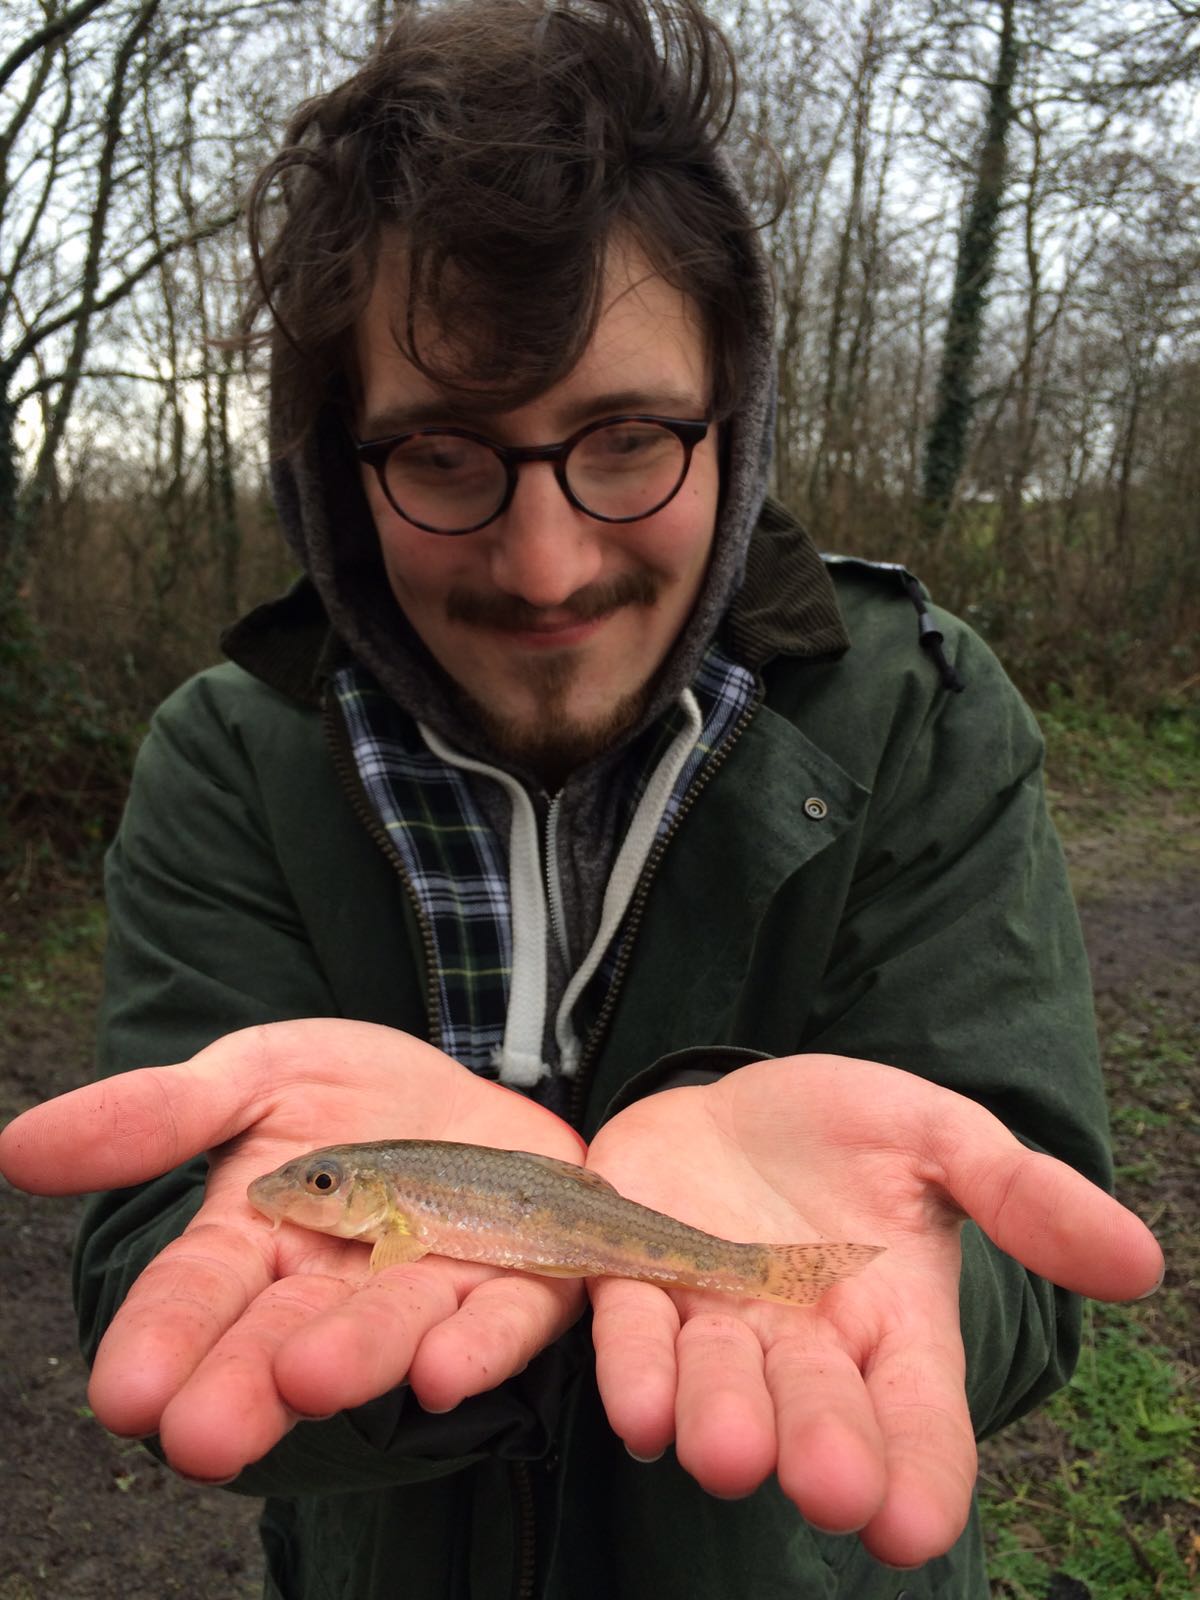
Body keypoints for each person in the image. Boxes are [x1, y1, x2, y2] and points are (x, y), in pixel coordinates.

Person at [0, 2, 1162, 1597]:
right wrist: (496, 1340)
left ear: (732, 426)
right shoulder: (224, 759)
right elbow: (154, 1265)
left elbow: (1018, 1268)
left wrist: (880, 1282)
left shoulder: (925, 719)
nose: (547, 568)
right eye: (446, 457)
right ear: (339, 465)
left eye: (624, 440)